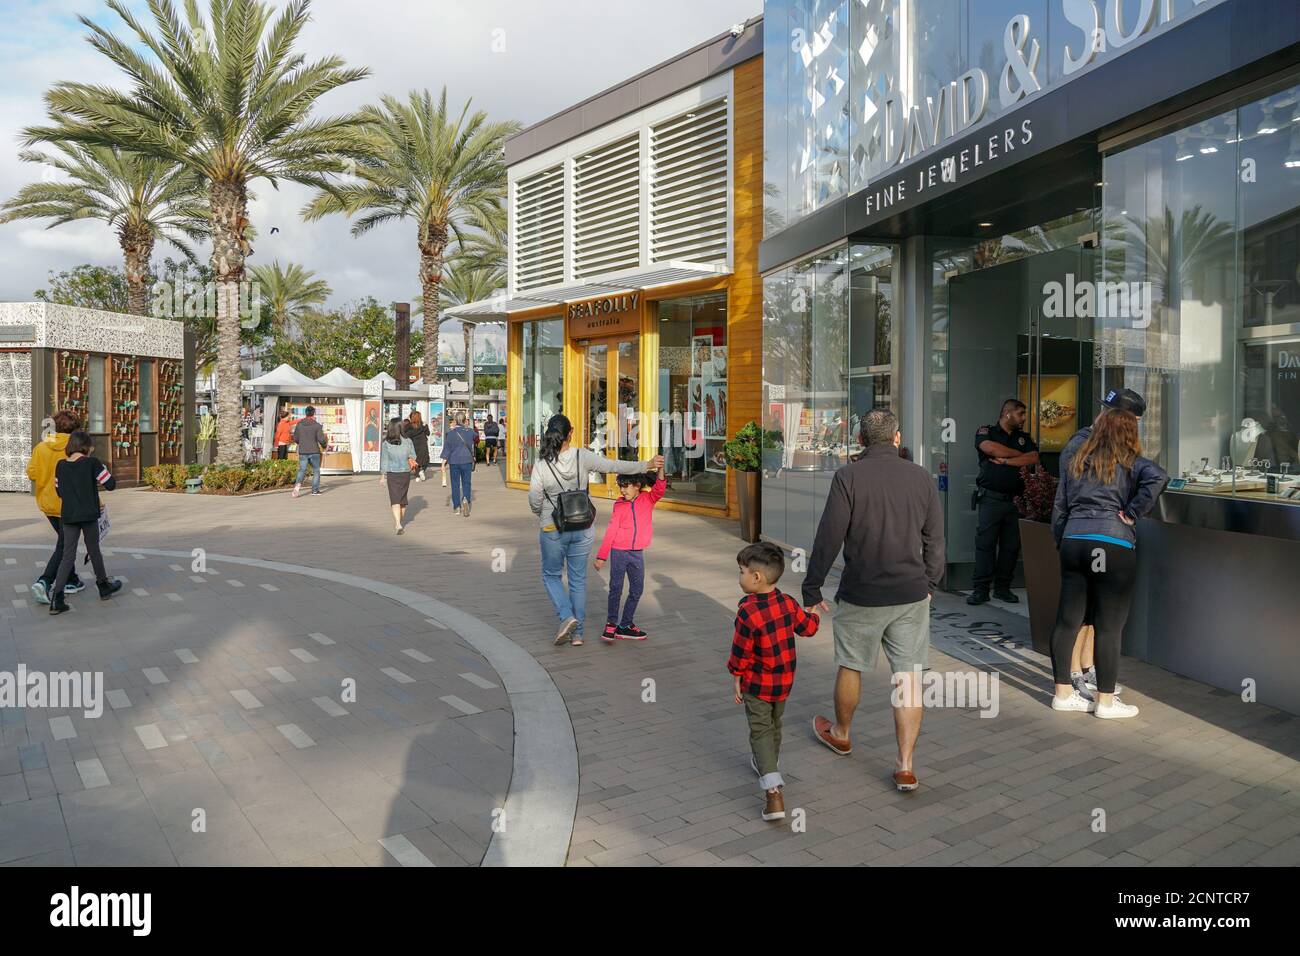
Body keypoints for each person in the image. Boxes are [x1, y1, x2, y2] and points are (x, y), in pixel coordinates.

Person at [803, 408, 945, 792]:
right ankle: (905, 765)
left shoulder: (848, 476)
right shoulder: (921, 478)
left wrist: (811, 587)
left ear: (861, 440)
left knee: (851, 666)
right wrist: (931, 582)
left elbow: (829, 535)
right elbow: (935, 538)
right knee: (909, 678)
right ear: (897, 438)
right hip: (911, 593)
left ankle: (843, 732)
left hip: (862, 592)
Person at [1049, 400, 1167, 719]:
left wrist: (1062, 541)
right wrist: (1131, 512)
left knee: (1068, 620)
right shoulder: (1130, 461)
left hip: (1074, 540)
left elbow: (1060, 505)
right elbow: (1159, 477)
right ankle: (1104, 701)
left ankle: (1062, 694)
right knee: (1109, 627)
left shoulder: (1077, 457)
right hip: (1110, 541)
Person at [528, 413, 663, 647]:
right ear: (570, 433)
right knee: (578, 579)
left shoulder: (541, 466)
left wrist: (543, 514)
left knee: (551, 575)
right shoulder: (583, 456)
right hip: (582, 526)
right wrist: (646, 465)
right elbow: (613, 466)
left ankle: (566, 616)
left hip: (552, 528)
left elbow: (534, 500)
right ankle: (578, 634)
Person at [727, 542, 820, 822]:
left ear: (756, 577)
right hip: (784, 683)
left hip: (757, 684)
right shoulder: (788, 603)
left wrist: (736, 676)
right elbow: (808, 628)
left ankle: (773, 792)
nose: (739, 576)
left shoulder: (748, 612)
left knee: (760, 730)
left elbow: (740, 652)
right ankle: (767, 762)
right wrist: (813, 611)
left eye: (741, 571)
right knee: (775, 724)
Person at [969, 398, 1040, 605]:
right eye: (1021, 414)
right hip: (991, 499)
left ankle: (1002, 588)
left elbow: (1034, 457)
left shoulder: (1023, 437)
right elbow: (990, 448)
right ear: (1008, 414)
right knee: (985, 544)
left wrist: (1007, 461)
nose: (1024, 418)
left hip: (1016, 501)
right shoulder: (986, 431)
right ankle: (980, 589)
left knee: (1010, 547)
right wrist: (1020, 455)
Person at [48, 430, 123, 615]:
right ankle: (103, 586)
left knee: (68, 556)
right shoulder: (92, 463)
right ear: (85, 446)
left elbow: (59, 491)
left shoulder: (61, 465)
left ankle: (57, 599)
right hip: (88, 515)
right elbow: (111, 484)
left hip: (69, 516)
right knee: (93, 550)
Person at [593, 462, 666, 642]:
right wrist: (601, 556)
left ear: (637, 486)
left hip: (636, 553)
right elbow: (611, 531)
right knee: (615, 589)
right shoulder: (619, 505)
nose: (622, 490)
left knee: (637, 589)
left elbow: (660, 488)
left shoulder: (647, 499)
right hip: (619, 552)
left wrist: (661, 468)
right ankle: (611, 624)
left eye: (626, 486)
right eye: (621, 486)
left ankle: (625, 625)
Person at [26, 410, 86, 604]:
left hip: (47, 504)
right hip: (68, 506)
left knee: (64, 541)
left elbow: (32, 474)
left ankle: (72, 580)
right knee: (64, 545)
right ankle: (44, 581)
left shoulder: (41, 447)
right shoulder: (74, 449)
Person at [380, 419, 418, 534]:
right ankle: (399, 522)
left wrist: (383, 476)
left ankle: (398, 524)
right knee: (402, 500)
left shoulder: (386, 443)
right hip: (405, 473)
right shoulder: (408, 441)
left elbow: (384, 461)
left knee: (395, 499)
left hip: (392, 474)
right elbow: (414, 456)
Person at [442, 412, 477, 516]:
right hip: (467, 460)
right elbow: (476, 437)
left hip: (454, 461)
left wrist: (443, 463)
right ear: (465, 420)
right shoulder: (470, 432)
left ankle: (457, 507)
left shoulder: (451, 433)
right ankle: (465, 498)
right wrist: (468, 426)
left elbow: (447, 449)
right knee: (466, 482)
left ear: (455, 421)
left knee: (455, 484)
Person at [292, 405, 329, 497]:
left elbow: (295, 438)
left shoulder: (299, 425)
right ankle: (314, 491)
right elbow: (321, 439)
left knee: (302, 470)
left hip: (303, 451)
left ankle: (297, 487)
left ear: (305, 413)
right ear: (313, 413)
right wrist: (325, 445)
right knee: (316, 470)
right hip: (314, 451)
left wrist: (301, 442)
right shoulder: (317, 425)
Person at [404, 410, 431, 481]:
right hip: (423, 444)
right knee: (426, 459)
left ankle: (418, 475)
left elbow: (406, 435)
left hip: (413, 444)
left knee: (416, 460)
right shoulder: (423, 425)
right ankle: (420, 473)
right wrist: (425, 427)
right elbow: (428, 433)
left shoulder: (408, 426)